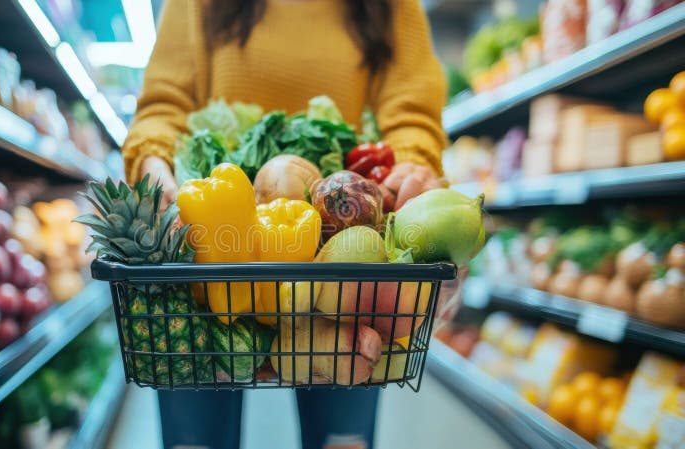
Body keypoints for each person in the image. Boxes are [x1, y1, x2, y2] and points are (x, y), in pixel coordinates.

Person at [121, 1, 447, 448]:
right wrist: (154, 167)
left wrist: (410, 168)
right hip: (206, 255)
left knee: (342, 438)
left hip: (340, 258)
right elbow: (163, 105)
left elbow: (411, 112)